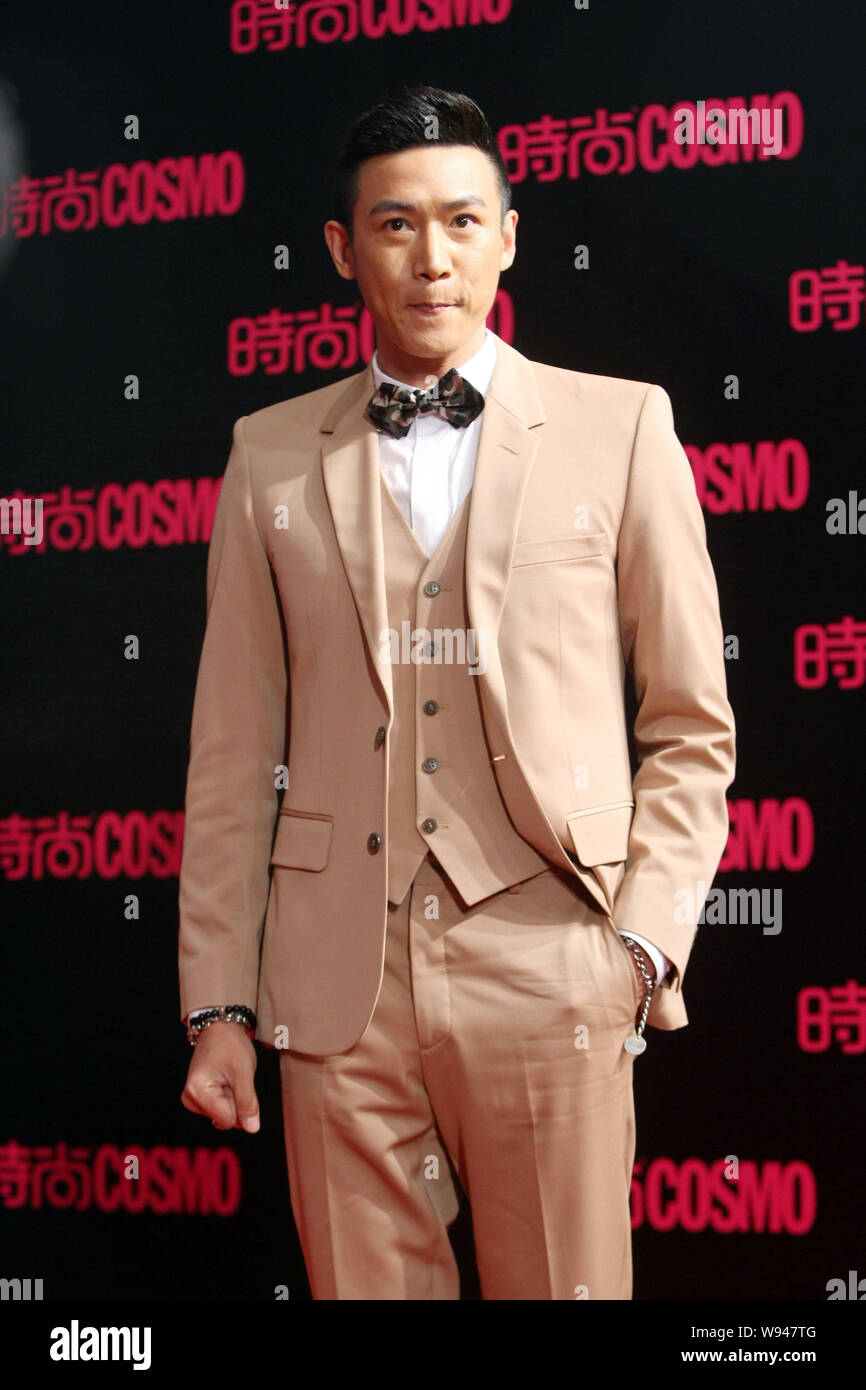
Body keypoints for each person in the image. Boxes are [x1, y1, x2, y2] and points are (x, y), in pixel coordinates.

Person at [178, 84, 736, 1300]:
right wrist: (217, 1004)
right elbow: (232, 752)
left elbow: (691, 726)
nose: (433, 259)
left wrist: (637, 946)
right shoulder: (267, 452)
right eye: (394, 226)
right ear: (341, 249)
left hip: (553, 966)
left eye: (462, 221)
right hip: (336, 991)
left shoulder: (620, 427)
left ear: (507, 233)